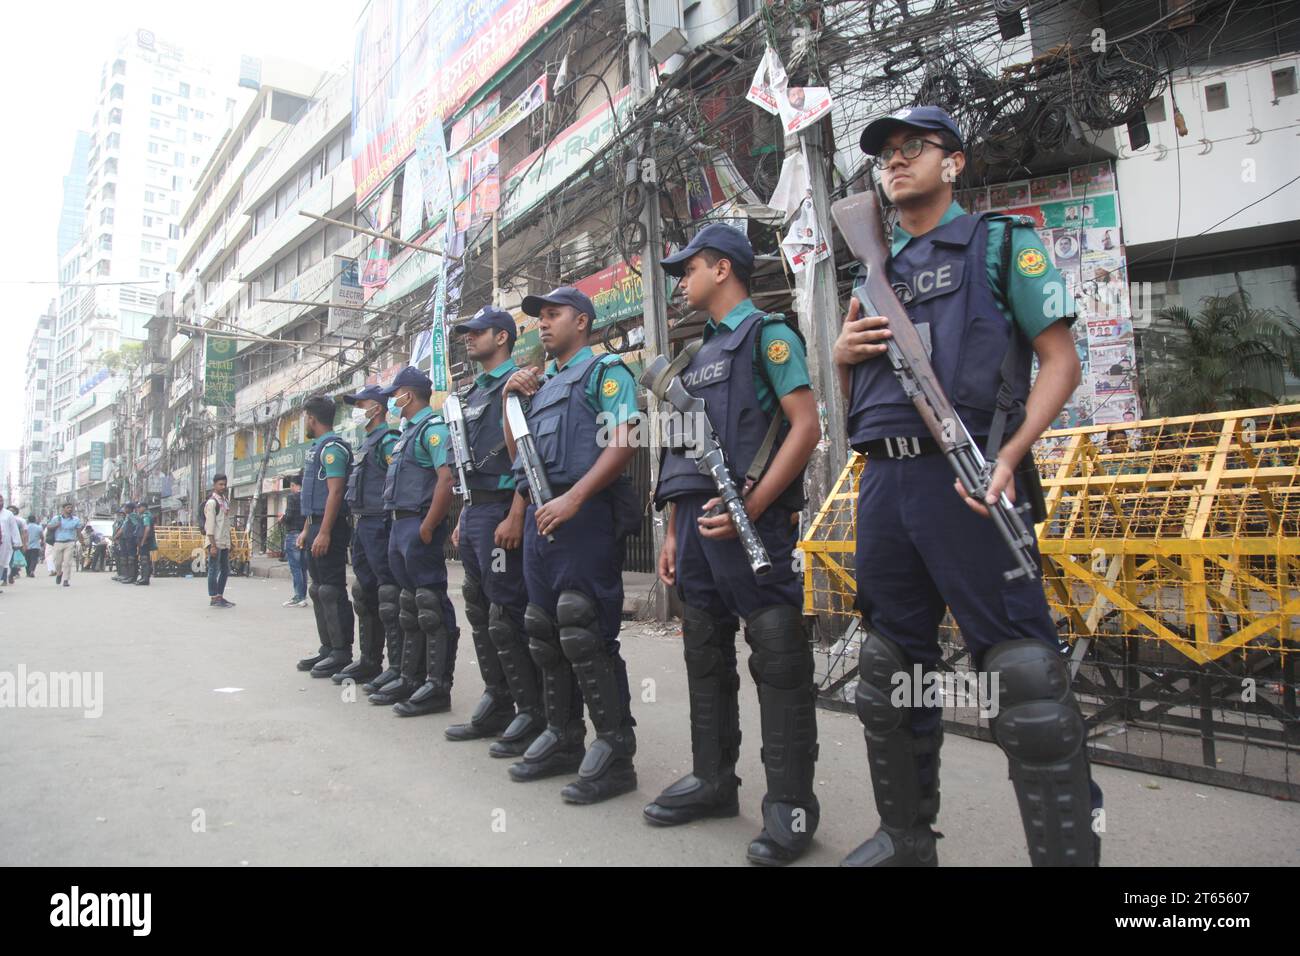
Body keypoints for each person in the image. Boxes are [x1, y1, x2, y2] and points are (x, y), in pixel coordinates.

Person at [835, 105, 1098, 866]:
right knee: (888, 671)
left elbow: (1061, 362)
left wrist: (1010, 456)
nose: (895, 160)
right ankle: (905, 839)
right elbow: (856, 400)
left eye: (913, 147)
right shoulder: (872, 273)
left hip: (970, 480)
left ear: (954, 162)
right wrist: (842, 355)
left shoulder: (1001, 244)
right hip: (884, 482)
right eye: (885, 152)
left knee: (1025, 681)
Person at [644, 224, 824, 865]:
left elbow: (806, 426)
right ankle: (713, 781)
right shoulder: (692, 357)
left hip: (753, 524)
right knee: (704, 650)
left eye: (689, 268)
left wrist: (755, 503)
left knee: (776, 653)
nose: (681, 281)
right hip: (697, 527)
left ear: (722, 269)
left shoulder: (769, 337)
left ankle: (790, 809)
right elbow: (680, 454)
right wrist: (672, 532)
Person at [501, 286, 642, 804]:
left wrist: (575, 499)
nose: (542, 323)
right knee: (543, 629)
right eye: (539, 316)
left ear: (581, 321)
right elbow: (519, 454)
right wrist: (509, 399)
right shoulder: (540, 387)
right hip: (543, 516)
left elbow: (626, 438)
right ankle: (562, 735)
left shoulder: (606, 372)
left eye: (553, 314)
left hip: (584, 516)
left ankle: (615, 751)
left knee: (583, 628)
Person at [444, 306, 543, 754]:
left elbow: (526, 452)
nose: (468, 338)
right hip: (477, 511)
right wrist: (464, 514)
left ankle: (532, 710)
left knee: (508, 613)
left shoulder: (520, 383)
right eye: (467, 332)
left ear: (502, 337)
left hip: (505, 506)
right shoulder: (472, 393)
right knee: (480, 608)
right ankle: (498, 699)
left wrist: (517, 512)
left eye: (477, 332)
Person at [368, 366, 461, 716]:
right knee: (409, 603)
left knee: (430, 603)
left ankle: (437, 686)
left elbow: (446, 479)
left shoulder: (433, 428)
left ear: (409, 394)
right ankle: (411, 677)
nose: (392, 400)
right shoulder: (407, 432)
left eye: (395, 394)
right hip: (399, 523)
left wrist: (429, 525)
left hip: (418, 522)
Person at [337, 386, 400, 686]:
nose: (357, 410)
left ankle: (397, 667)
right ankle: (370, 661)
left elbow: (397, 480)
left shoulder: (388, 440)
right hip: (362, 524)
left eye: (361, 404)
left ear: (377, 408)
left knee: (389, 594)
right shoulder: (366, 442)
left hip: (379, 524)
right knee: (364, 593)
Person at [293, 396, 356, 677]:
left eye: (305, 418)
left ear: (312, 418)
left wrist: (325, 531)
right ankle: (327, 648)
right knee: (318, 590)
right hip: (316, 525)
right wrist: (308, 530)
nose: (304, 423)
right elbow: (315, 496)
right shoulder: (317, 448)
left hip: (330, 527)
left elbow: (336, 492)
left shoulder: (332, 449)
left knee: (331, 589)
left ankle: (341, 652)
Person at [204, 475, 235, 608]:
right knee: (213, 569)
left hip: (224, 541)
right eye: (220, 484)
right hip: (214, 542)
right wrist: (212, 545)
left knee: (225, 569)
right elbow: (210, 526)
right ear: (215, 485)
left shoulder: (225, 501)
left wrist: (230, 541)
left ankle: (220, 595)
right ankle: (214, 597)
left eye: (224, 484)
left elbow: (226, 524)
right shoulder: (212, 502)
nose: (223, 487)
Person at [280, 474, 307, 607]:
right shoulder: (307, 496)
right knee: (303, 567)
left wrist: (283, 519)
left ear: (294, 485)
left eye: (291, 485)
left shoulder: (292, 497)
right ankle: (303, 596)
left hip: (293, 534)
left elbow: (289, 515)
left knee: (295, 567)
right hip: (305, 533)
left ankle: (298, 596)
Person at [46, 501, 79, 588]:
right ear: (63, 509)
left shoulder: (75, 519)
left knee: (67, 562)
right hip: (58, 542)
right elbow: (48, 527)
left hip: (70, 542)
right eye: (68, 508)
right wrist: (56, 525)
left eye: (71, 508)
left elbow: (78, 531)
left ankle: (66, 580)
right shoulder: (57, 518)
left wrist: (81, 542)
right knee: (57, 562)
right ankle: (59, 573)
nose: (70, 509)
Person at [0, 499, 27, 587]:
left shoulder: (9, 515)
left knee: (5, 562)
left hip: (6, 543)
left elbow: (15, 530)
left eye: (1, 501)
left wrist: (18, 543)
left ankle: (6, 578)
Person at [118, 501, 140, 584]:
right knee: (128, 558)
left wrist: (134, 536)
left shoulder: (133, 516)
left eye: (126, 508)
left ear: (130, 509)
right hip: (127, 539)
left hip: (131, 539)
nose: (124, 509)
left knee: (132, 558)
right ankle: (128, 575)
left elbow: (137, 526)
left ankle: (132, 577)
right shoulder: (129, 516)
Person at [135, 504, 155, 584]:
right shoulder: (144, 516)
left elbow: (147, 528)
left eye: (139, 507)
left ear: (144, 507)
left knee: (144, 560)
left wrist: (143, 540)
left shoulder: (146, 516)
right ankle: (143, 577)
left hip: (145, 540)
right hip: (143, 540)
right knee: (143, 560)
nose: (138, 509)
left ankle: (145, 579)